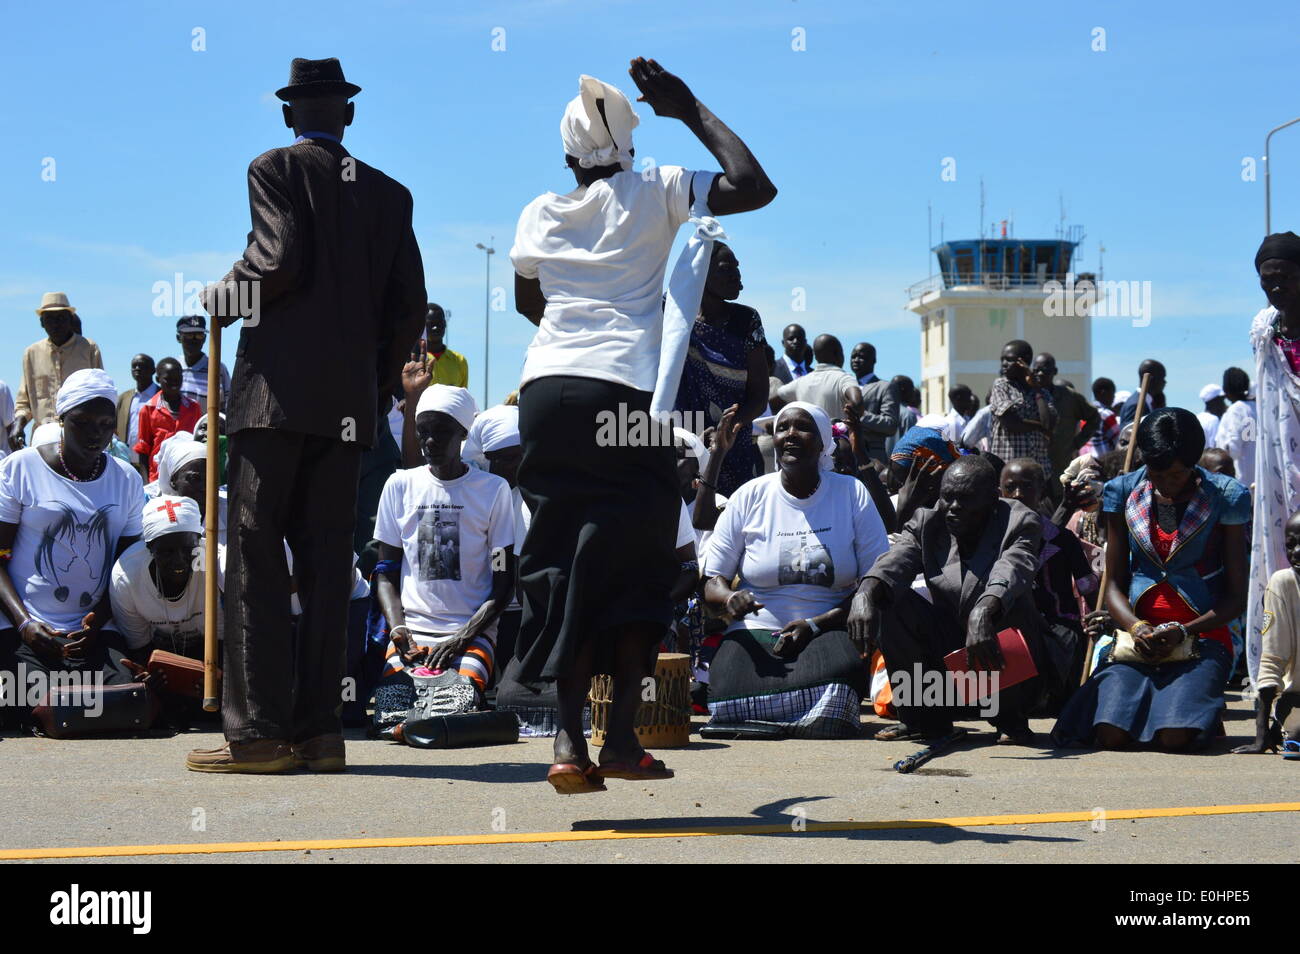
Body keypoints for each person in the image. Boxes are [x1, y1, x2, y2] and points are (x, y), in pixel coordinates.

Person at [509, 59, 775, 793]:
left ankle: (566, 741)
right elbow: (754, 185)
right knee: (638, 567)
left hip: (544, 394)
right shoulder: (657, 189)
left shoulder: (539, 211)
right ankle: (621, 738)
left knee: (562, 560)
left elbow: (528, 303)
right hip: (624, 399)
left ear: (568, 157)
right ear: (630, 145)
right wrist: (689, 108)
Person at [189, 56, 427, 774]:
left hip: (272, 402)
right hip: (347, 410)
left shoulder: (275, 168)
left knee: (257, 563)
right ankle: (321, 734)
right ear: (347, 114)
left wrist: (224, 295)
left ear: (292, 114)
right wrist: (377, 388)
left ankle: (260, 736)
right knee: (328, 566)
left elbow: (278, 256)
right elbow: (408, 307)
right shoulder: (390, 195)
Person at [1053, 408, 1249, 750]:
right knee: (1110, 735)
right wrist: (1136, 626)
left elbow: (1236, 596)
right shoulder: (1121, 491)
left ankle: (1199, 709)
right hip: (1137, 639)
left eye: (1175, 475)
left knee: (1173, 738)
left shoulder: (1227, 495)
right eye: (1156, 473)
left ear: (1192, 464)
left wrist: (1185, 630)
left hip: (1202, 638)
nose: (1164, 483)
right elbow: (1113, 583)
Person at [700, 402, 888, 737]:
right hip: (756, 629)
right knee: (725, 693)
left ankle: (767, 720)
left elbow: (876, 581)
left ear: (822, 444)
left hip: (829, 625)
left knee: (838, 685)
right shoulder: (749, 496)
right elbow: (713, 580)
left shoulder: (850, 493)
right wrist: (729, 600)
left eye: (801, 428)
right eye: (782, 427)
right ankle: (798, 719)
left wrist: (816, 625)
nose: (789, 435)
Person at [849, 455, 1046, 744]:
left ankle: (1010, 718)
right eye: (947, 497)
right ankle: (922, 718)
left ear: (993, 499)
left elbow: (1014, 568)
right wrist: (865, 592)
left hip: (997, 642)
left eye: (965, 500)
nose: (953, 508)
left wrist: (985, 608)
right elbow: (896, 560)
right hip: (949, 649)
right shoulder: (928, 521)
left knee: (1012, 606)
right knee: (892, 601)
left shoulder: (1020, 521)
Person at [0, 370, 147, 719]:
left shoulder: (125, 478)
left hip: (93, 630)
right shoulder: (20, 468)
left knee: (127, 700)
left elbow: (127, 567)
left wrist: (98, 622)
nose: (96, 433)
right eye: (82, 422)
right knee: (32, 701)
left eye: (106, 423)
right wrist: (25, 625)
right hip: (27, 625)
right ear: (61, 419)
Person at [370, 385, 515, 735]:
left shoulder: (492, 490)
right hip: (411, 634)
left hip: (471, 632)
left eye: (441, 432)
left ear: (464, 433)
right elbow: (386, 572)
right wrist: (399, 629)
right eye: (424, 432)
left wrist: (461, 638)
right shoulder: (399, 485)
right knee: (390, 717)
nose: (430, 441)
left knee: (453, 705)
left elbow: (504, 585)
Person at [1244, 232, 1300, 693]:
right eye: (1267, 280)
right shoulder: (1266, 329)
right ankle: (1278, 678)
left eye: (1284, 277)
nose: (1275, 287)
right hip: (1281, 462)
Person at [673, 241, 768, 495]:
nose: (736, 274)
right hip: (682, 444)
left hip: (732, 443)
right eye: (726, 268)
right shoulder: (673, 316)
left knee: (731, 516)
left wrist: (727, 428)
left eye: (737, 268)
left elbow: (759, 395)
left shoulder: (746, 320)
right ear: (700, 271)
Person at [109, 495, 208, 659]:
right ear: (150, 547)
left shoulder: (213, 565)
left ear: (199, 541)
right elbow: (139, 647)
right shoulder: (126, 577)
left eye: (188, 549)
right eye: (167, 552)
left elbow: (224, 641)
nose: (179, 561)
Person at [1235, 509, 1300, 753]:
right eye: (1290, 545)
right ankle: (1283, 727)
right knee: (1297, 734)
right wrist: (1261, 735)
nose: (1297, 553)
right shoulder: (1284, 584)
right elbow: (1272, 657)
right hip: (1298, 696)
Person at [11, 293, 104, 447]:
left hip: (81, 437)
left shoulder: (88, 349)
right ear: (42, 323)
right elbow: (24, 402)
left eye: (61, 318)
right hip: (43, 438)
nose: (55, 324)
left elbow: (100, 394)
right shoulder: (31, 353)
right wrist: (18, 425)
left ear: (70, 319)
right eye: (49, 319)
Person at [989, 339, 1056, 476]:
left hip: (1039, 470)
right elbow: (1011, 423)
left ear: (1023, 362)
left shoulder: (1042, 393)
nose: (1003, 364)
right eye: (1002, 360)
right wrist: (1039, 426)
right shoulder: (1001, 386)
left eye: (1009, 360)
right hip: (1009, 470)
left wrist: (1036, 389)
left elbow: (1048, 423)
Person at [1032, 352, 1098, 482]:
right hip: (1034, 467)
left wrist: (1075, 443)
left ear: (1055, 371)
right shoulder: (1028, 396)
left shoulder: (1068, 397)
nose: (1040, 374)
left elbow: (1094, 417)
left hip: (1060, 466)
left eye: (1044, 370)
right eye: (1036, 370)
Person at [133, 358, 202, 483]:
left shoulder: (194, 407)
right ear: (158, 379)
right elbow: (143, 451)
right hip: (157, 478)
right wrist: (145, 483)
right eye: (168, 379)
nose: (174, 383)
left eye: (177, 378)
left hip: (187, 477)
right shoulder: (148, 409)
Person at [775, 334, 861, 425]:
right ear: (837, 353)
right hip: (837, 437)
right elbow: (857, 403)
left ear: (815, 357)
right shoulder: (844, 378)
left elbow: (773, 401)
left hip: (808, 438)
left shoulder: (800, 383)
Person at [849, 343, 900, 464]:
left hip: (872, 456)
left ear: (873, 360)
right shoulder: (847, 385)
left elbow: (890, 424)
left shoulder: (885, 387)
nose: (856, 360)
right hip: (846, 456)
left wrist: (860, 416)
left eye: (861, 356)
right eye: (853, 356)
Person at [175, 316, 231, 411]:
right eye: (189, 335)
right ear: (178, 338)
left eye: (198, 335)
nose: (194, 340)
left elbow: (229, 404)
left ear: (204, 339)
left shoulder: (217, 369)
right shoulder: (173, 368)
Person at [1215, 366, 1256, 488]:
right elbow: (1248, 438)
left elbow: (1233, 448)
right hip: (1258, 474)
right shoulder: (1255, 407)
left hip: (1240, 476)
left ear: (1226, 389)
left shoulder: (1236, 410)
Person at [422, 303, 469, 387]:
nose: (435, 327)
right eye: (431, 324)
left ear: (445, 324)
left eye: (439, 323)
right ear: (423, 326)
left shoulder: (459, 361)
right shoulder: (415, 361)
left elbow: (463, 397)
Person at [1118, 359, 1166, 427]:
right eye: (1162, 378)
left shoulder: (1147, 402)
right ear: (1151, 379)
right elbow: (1129, 434)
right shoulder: (1136, 405)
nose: (1164, 382)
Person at [1197, 383, 1227, 449]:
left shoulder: (1198, 417)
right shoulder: (1213, 420)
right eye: (1222, 400)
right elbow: (1214, 448)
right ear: (1215, 402)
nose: (1225, 404)